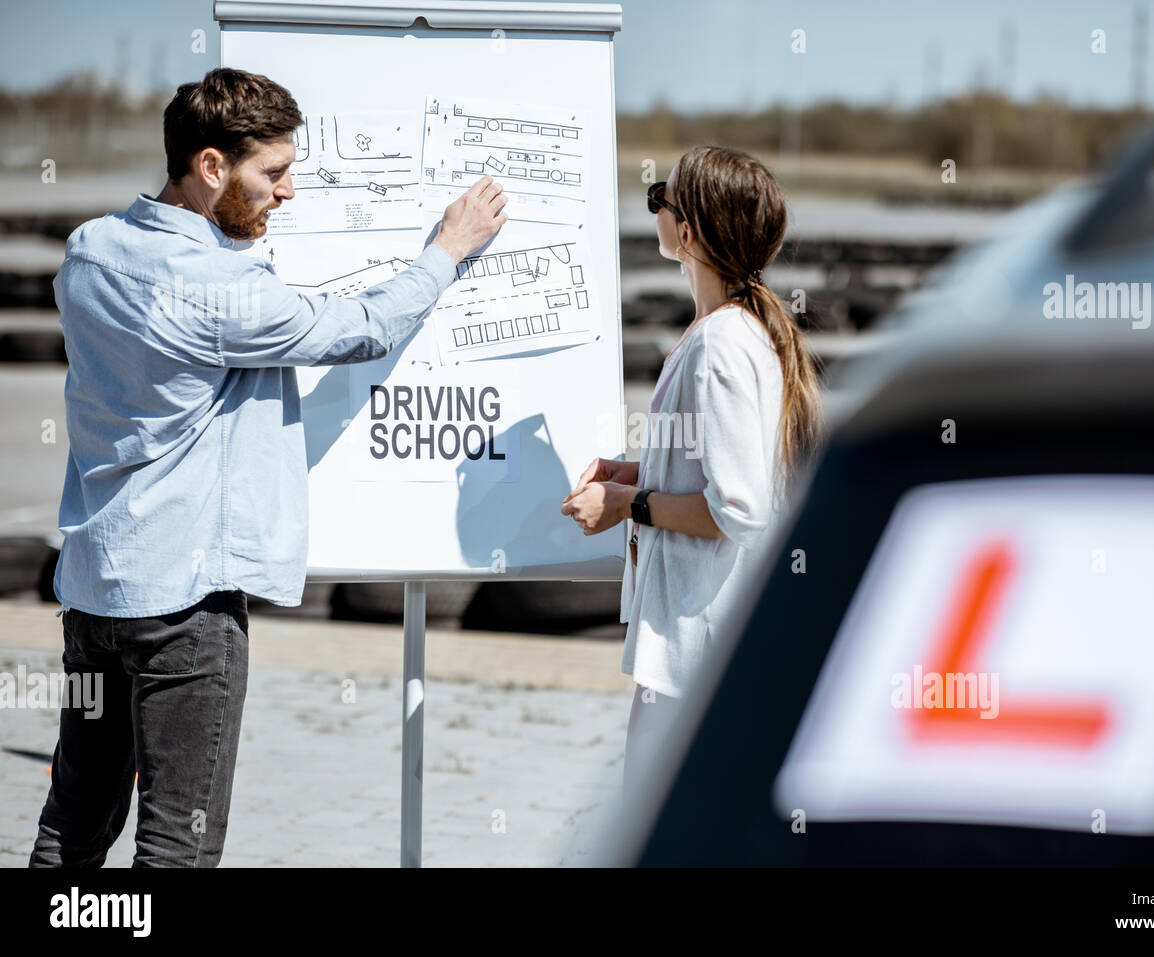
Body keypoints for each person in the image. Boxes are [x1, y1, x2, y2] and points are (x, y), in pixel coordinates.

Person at [28, 68, 506, 867]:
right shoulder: (221, 294)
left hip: (93, 593)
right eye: (273, 173)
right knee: (176, 847)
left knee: (72, 826)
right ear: (211, 167)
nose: (288, 192)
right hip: (185, 609)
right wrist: (447, 251)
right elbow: (362, 327)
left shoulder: (89, 252)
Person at [561, 145, 823, 792]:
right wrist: (633, 472)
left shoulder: (721, 345)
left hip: (696, 650)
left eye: (660, 198)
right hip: (699, 647)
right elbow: (716, 469)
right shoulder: (732, 330)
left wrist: (629, 505)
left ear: (688, 233)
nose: (652, 206)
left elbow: (740, 509)